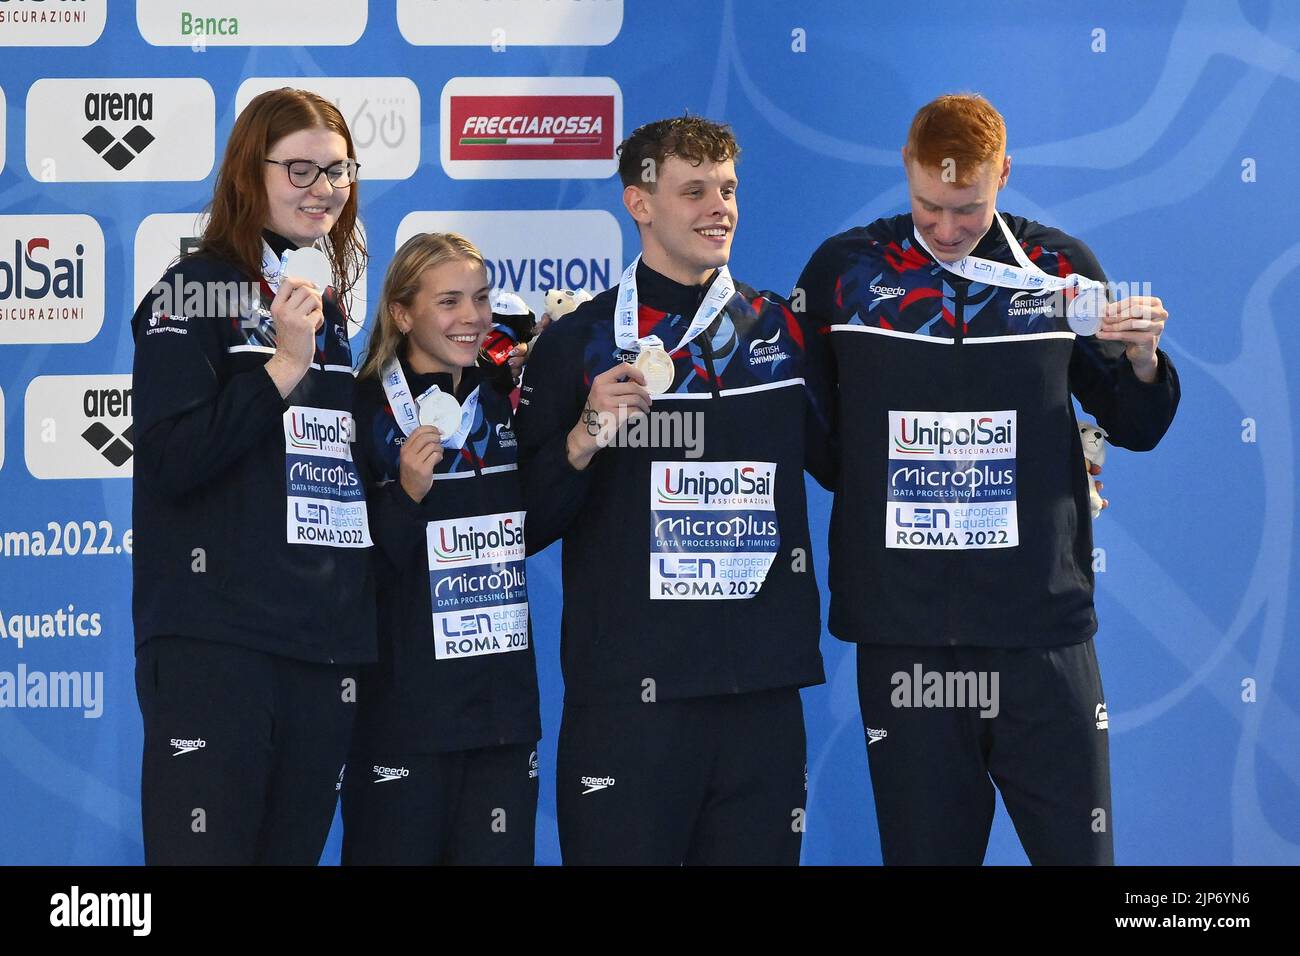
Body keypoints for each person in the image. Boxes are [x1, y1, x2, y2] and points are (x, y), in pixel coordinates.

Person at [796, 93, 1180, 865]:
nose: (945, 229)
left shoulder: (1061, 269)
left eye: (967, 208)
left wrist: (1142, 359)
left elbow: (1135, 425)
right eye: (929, 206)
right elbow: (816, 437)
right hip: (906, 643)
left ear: (1004, 173)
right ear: (906, 169)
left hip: (1040, 635)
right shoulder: (843, 272)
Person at [514, 116, 833, 865]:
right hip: (627, 697)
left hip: (758, 691)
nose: (718, 206)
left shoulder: (782, 334)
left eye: (727, 189)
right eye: (694, 190)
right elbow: (523, 521)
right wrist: (584, 435)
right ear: (640, 203)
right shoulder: (578, 342)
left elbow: (855, 464)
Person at [130, 88, 372, 865]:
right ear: (249, 173)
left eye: (336, 170)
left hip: (319, 647)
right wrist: (282, 370)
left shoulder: (322, 307)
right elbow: (170, 460)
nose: (323, 188)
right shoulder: (192, 289)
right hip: (218, 643)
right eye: (300, 168)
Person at [341, 233, 540, 865]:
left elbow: (542, 522)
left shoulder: (509, 398)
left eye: (480, 299)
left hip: (502, 713)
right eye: (449, 301)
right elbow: (341, 574)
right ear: (402, 313)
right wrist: (403, 494)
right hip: (402, 714)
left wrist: (584, 439)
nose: (473, 318)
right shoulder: (357, 407)